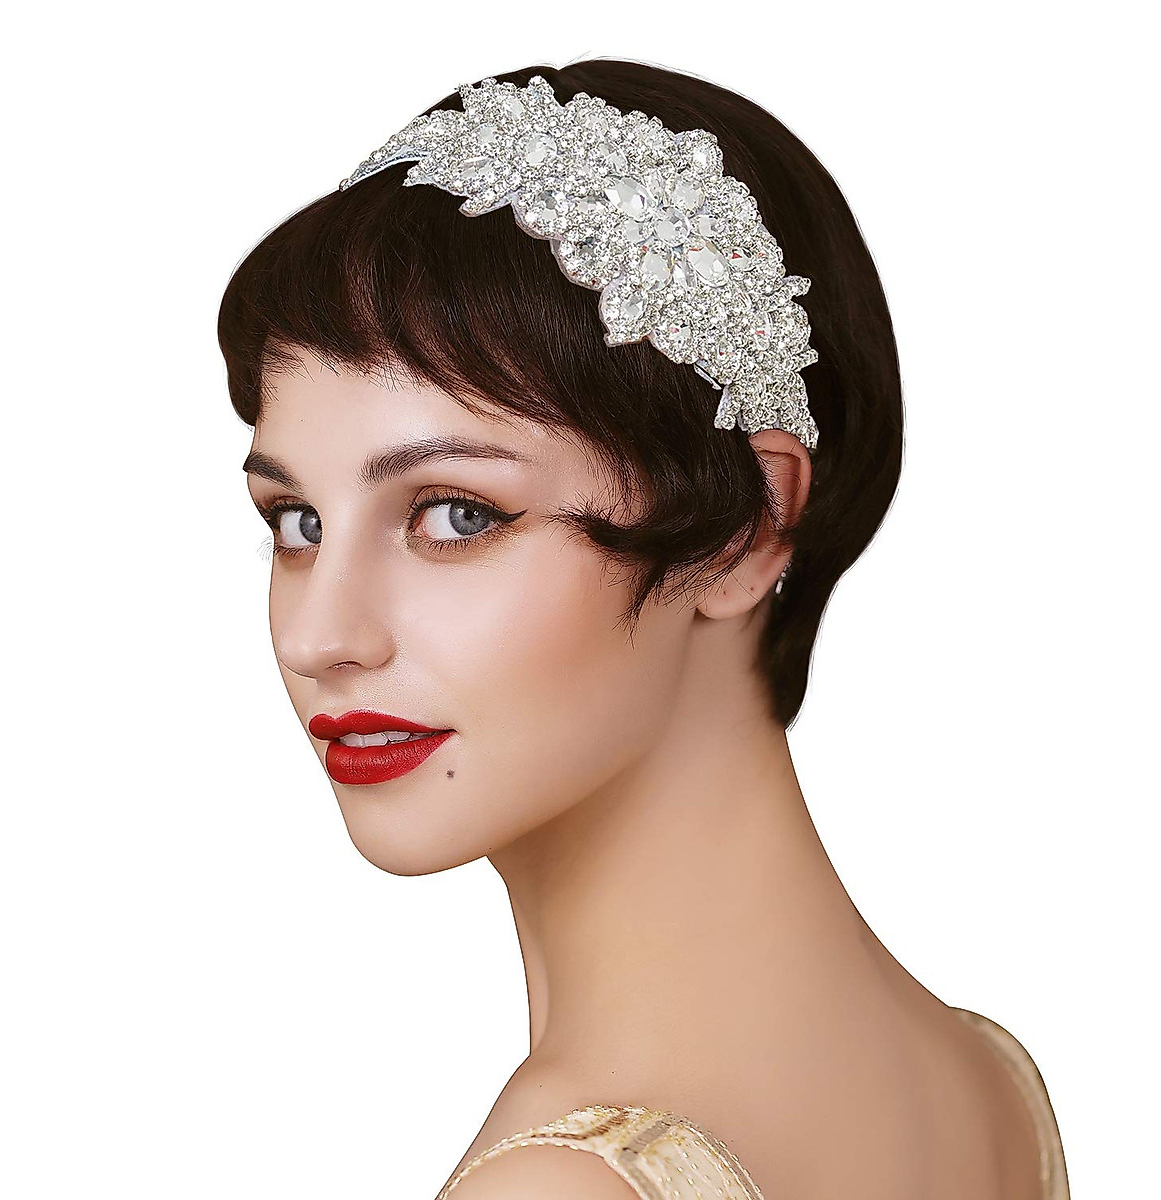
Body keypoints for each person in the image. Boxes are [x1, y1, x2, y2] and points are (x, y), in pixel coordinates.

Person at [217, 58, 1069, 1200]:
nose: (319, 636)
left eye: (456, 515)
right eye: (298, 522)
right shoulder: (986, 1079)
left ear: (748, 526)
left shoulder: (560, 1187)